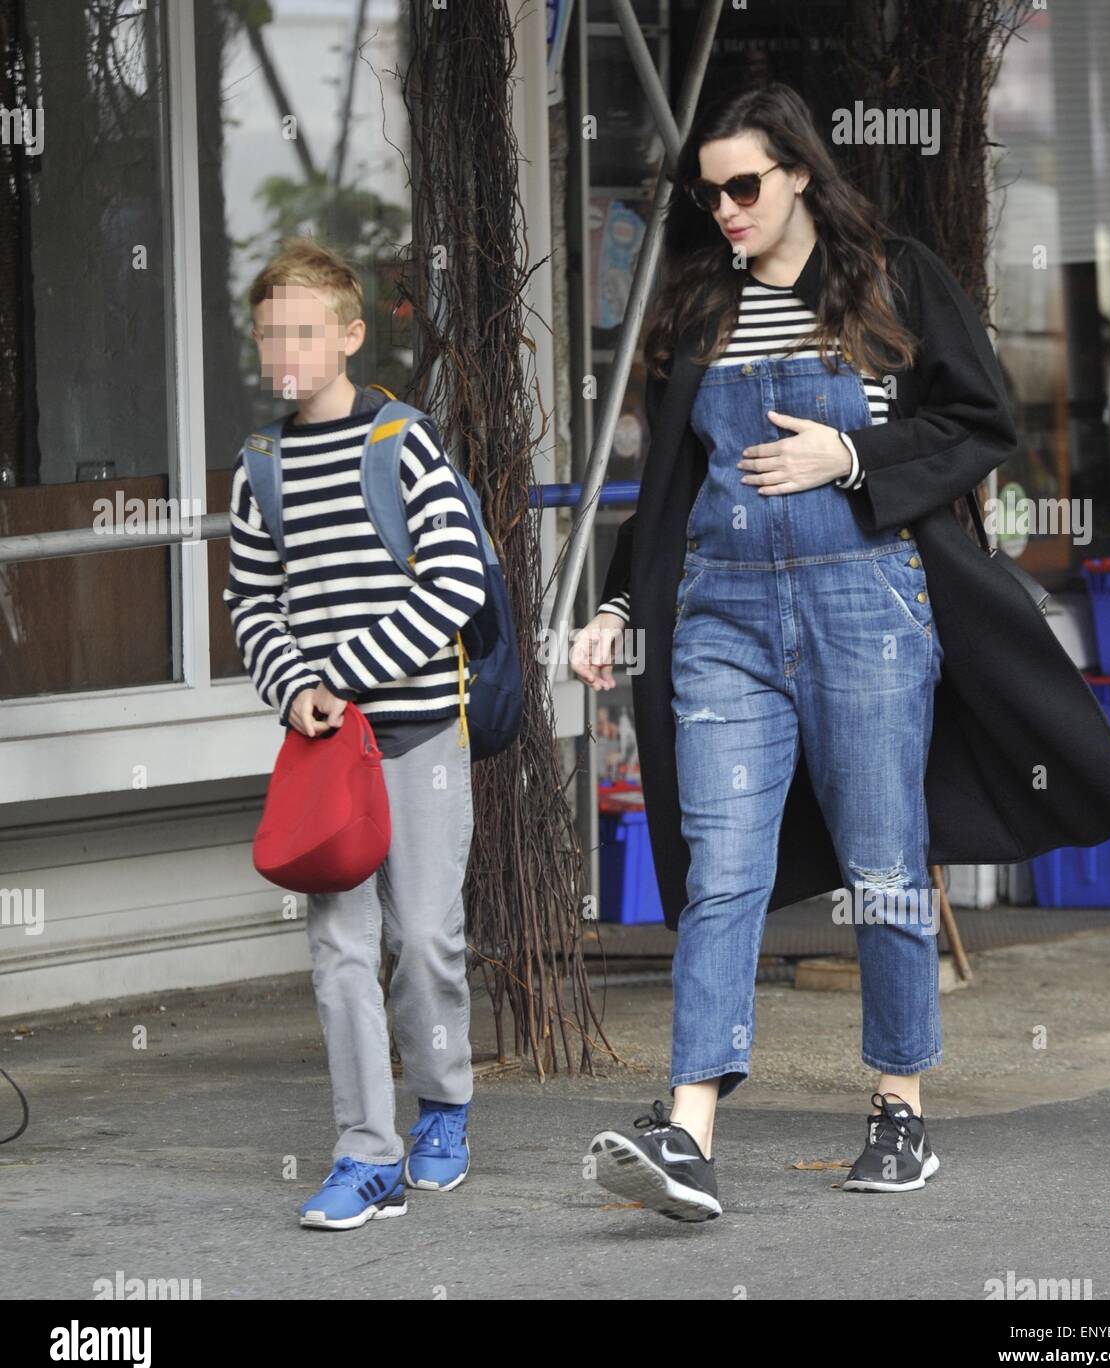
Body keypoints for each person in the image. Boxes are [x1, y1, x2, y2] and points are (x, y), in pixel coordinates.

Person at [571, 82, 997, 1221]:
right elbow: (664, 484)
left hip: (864, 603)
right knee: (721, 869)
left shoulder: (888, 279)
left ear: (801, 174)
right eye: (710, 193)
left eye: (746, 185)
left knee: (883, 865)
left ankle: (899, 1109)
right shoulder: (700, 309)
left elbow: (976, 419)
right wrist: (618, 607)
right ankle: (689, 1130)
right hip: (722, 618)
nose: (726, 210)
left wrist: (851, 458)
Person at [222, 236, 487, 1229]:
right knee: (341, 948)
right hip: (327, 751)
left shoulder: (401, 444)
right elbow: (251, 601)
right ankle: (366, 1154)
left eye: (303, 329)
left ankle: (445, 1105)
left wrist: (347, 672)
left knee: (423, 937)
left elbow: (457, 581)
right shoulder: (261, 468)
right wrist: (294, 688)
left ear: (347, 336)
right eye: (267, 334)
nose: (283, 348)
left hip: (416, 735)